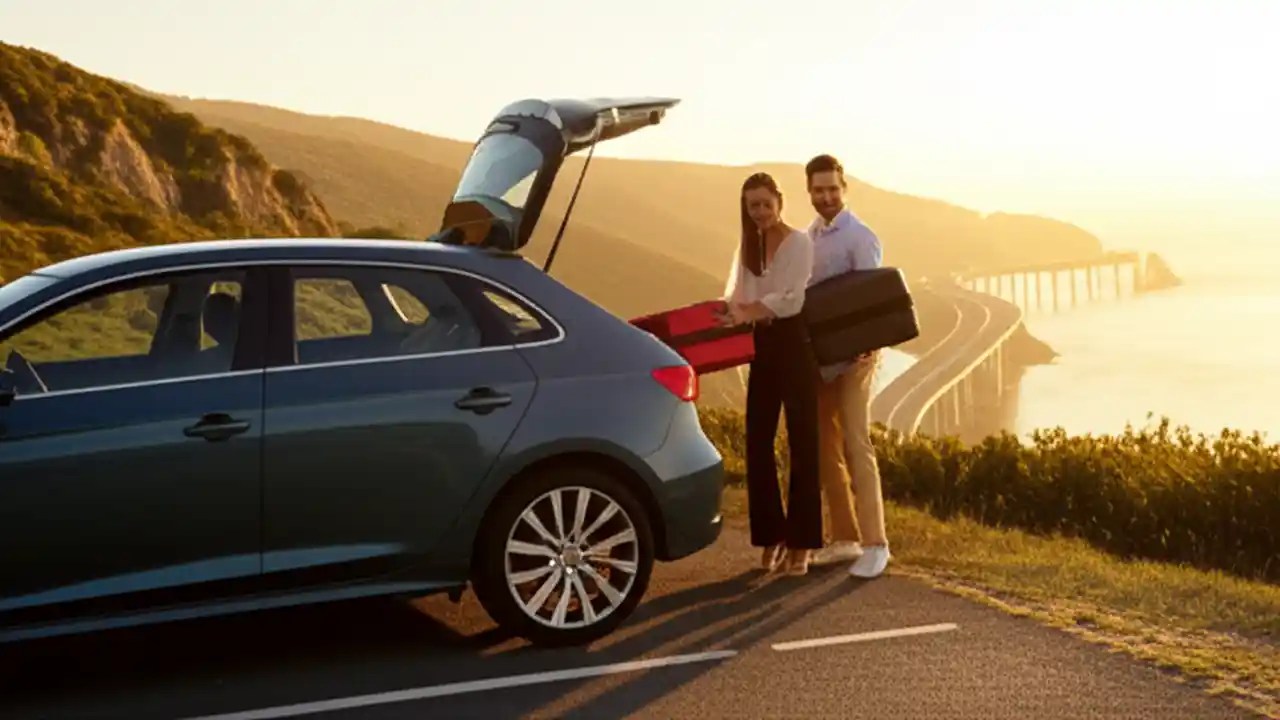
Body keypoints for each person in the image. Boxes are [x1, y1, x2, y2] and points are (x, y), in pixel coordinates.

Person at [720, 171, 823, 576]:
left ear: (779, 201)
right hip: (760, 346)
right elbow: (736, 292)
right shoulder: (746, 245)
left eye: (765, 203)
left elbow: (792, 298)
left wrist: (750, 309)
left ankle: (803, 543)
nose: (760, 212)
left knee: (803, 441)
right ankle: (771, 535)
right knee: (757, 441)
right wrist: (729, 311)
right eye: (752, 206)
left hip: (793, 343)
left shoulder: (799, 242)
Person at [802, 154, 892, 579]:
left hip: (858, 357)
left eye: (832, 189)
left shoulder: (861, 237)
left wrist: (865, 346)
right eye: (818, 191)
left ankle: (877, 543)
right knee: (825, 446)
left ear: (844, 188)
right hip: (822, 358)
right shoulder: (808, 239)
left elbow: (870, 299)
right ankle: (845, 538)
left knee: (858, 443)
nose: (826, 197)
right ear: (809, 192)